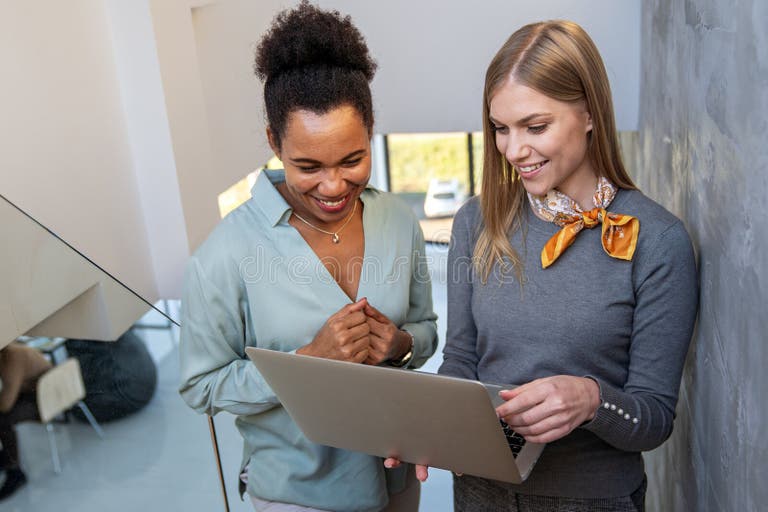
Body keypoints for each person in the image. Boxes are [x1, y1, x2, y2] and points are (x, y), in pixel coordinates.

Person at [388, 20, 698, 511]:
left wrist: (592, 400)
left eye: (535, 127)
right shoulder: (476, 221)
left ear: (591, 113)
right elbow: (463, 359)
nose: (514, 151)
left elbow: (654, 418)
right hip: (479, 491)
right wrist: (430, 424)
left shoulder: (659, 242)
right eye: (501, 129)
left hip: (595, 501)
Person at [178, 3, 437, 511]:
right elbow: (200, 386)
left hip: (398, 478)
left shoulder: (399, 221)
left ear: (370, 131)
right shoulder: (225, 254)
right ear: (274, 142)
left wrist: (401, 344)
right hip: (299, 496)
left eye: (352, 159)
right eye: (308, 165)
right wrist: (308, 362)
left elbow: (426, 330)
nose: (335, 185)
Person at [0, 342, 53, 500]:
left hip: (46, 399)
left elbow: (5, 404)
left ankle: (15, 472)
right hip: (32, 390)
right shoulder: (9, 350)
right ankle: (6, 457)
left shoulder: (11, 358)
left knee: (3, 419)